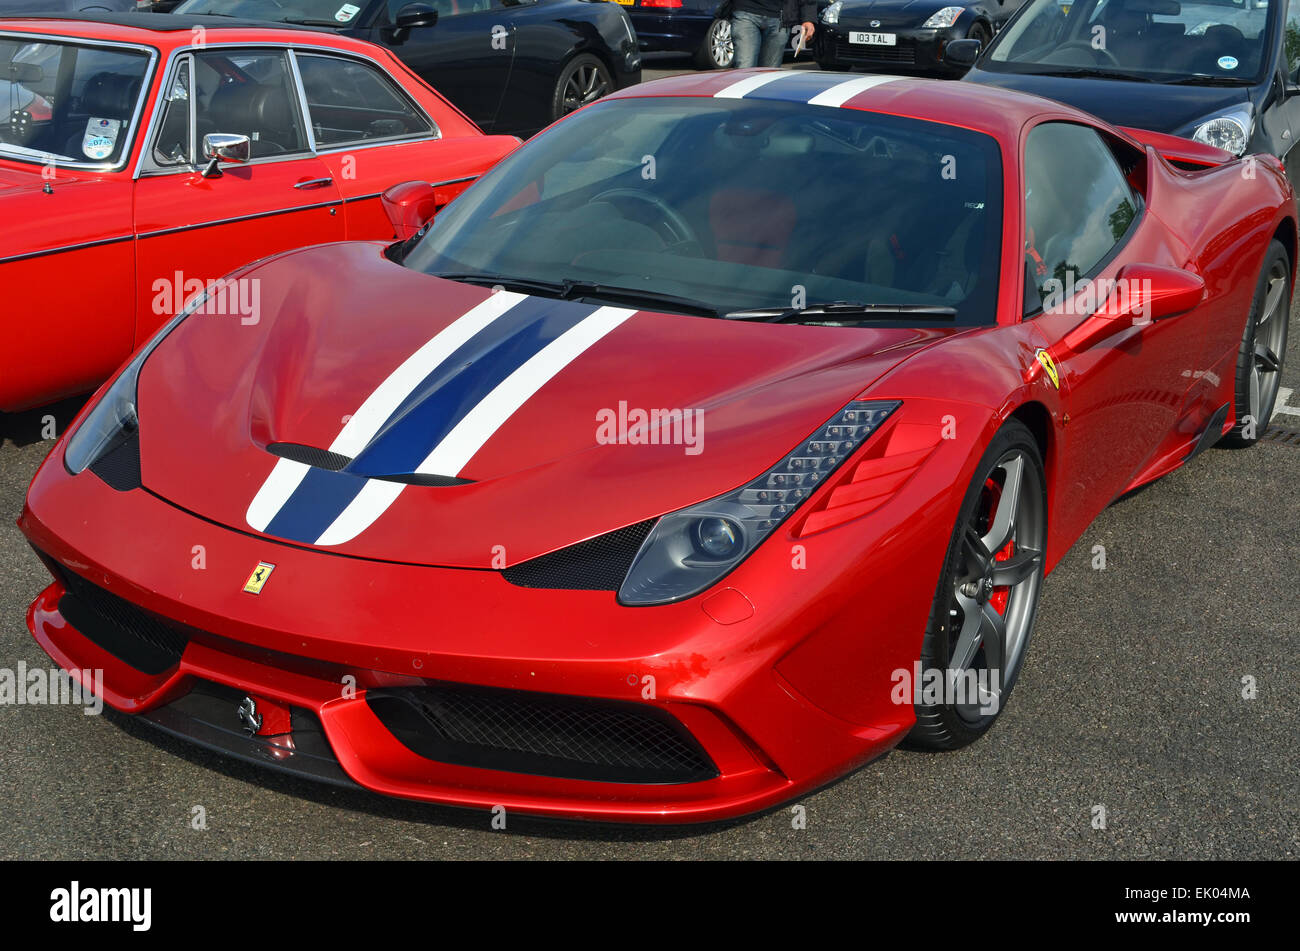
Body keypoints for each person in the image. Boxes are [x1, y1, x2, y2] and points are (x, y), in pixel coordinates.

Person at [729, 0, 816, 69]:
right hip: (745, 11)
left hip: (780, 17)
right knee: (745, 68)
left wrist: (808, 18)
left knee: (769, 73)